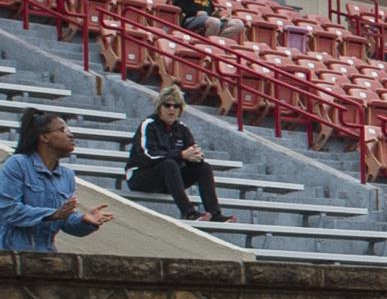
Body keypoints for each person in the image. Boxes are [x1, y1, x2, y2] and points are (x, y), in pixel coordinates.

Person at [1, 110, 115, 251]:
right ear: (44, 137)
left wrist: (85, 220)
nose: (70, 135)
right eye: (63, 130)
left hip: (46, 255)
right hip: (9, 253)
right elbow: (9, 210)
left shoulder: (67, 175)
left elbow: (65, 221)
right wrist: (52, 214)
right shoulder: (17, 164)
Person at [126, 85, 229, 223]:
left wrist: (196, 157)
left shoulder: (182, 129)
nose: (172, 109)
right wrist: (181, 155)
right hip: (141, 176)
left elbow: (191, 151)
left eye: (176, 106)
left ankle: (215, 213)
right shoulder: (148, 125)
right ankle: (189, 213)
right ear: (159, 107)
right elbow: (148, 155)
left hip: (169, 180)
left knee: (204, 167)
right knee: (169, 164)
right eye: (167, 105)